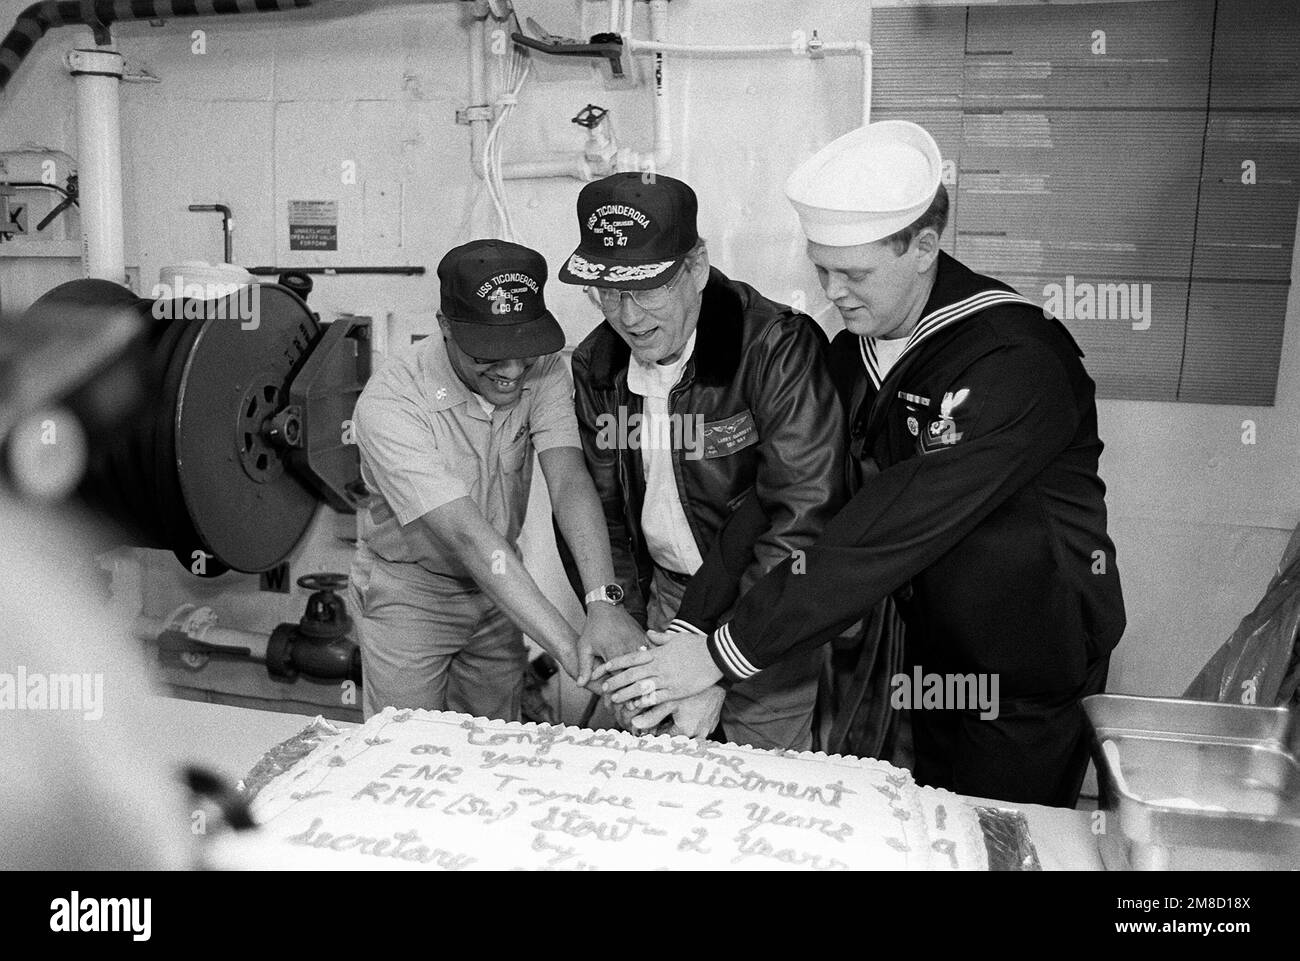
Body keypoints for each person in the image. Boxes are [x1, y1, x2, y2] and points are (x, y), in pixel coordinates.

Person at [596, 122, 1126, 806]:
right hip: (922, 652)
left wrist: (722, 655)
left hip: (1021, 664)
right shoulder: (854, 357)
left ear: (925, 248)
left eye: (854, 273)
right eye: (822, 269)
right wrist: (696, 624)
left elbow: (884, 530)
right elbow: (783, 497)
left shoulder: (1014, 362)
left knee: (997, 836)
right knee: (921, 825)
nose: (834, 292)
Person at [555, 172, 847, 750]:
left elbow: (804, 511)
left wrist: (721, 659)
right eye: (608, 293)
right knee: (657, 781)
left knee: (757, 786)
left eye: (646, 290)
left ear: (695, 267)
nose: (628, 316)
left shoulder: (771, 347)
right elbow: (605, 512)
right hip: (664, 600)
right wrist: (624, 623)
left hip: (765, 606)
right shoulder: (599, 363)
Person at [350, 239, 645, 721]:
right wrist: (581, 659)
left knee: (494, 740)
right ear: (445, 327)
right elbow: (468, 537)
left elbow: (569, 480)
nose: (512, 370)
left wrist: (604, 602)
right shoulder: (391, 403)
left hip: (499, 588)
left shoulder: (545, 366)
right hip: (410, 594)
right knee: (406, 747)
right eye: (490, 354)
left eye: (522, 350)